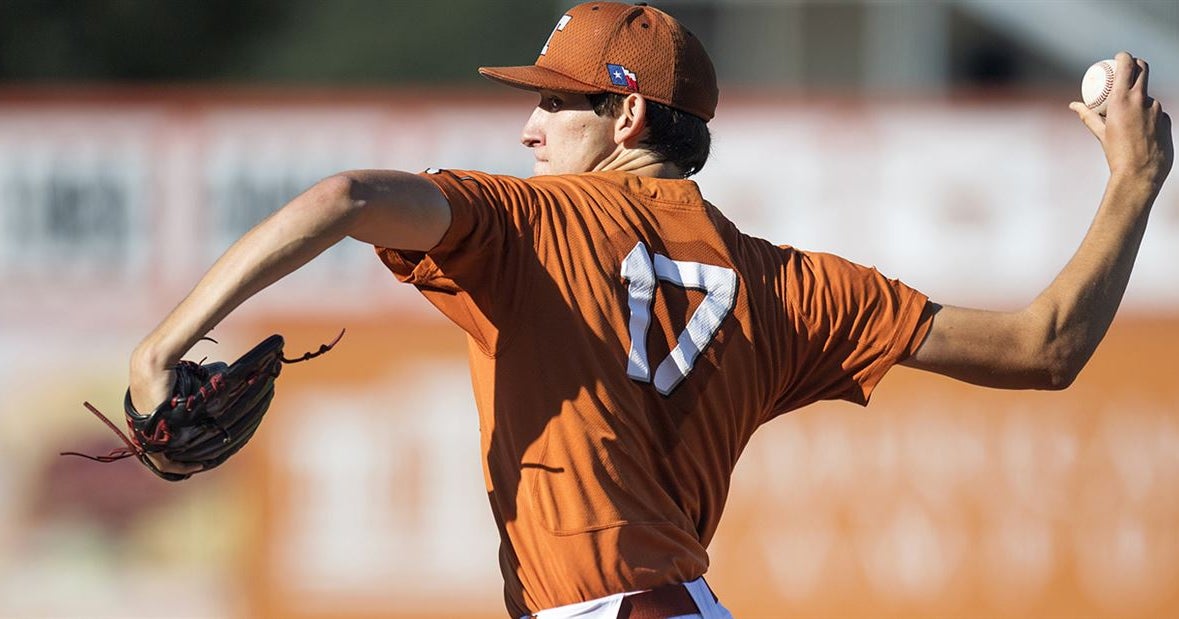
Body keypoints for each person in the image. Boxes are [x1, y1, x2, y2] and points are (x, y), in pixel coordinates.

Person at [126, 2, 1172, 618]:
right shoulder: (791, 285)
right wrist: (1132, 180)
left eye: (552, 101)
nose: (530, 128)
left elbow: (345, 199)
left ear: (625, 112)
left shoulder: (526, 224)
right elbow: (1046, 348)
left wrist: (163, 342)